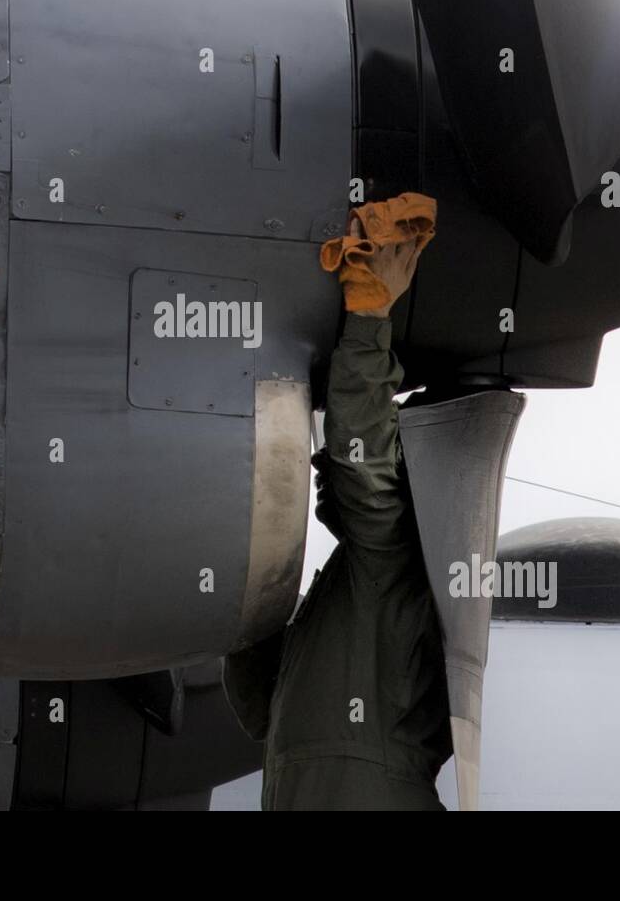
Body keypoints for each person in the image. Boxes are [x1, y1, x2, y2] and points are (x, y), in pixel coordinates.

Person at [223, 214, 453, 810]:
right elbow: (260, 710)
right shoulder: (357, 579)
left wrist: (371, 314)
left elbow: (358, 453)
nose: (323, 469)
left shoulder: (391, 554)